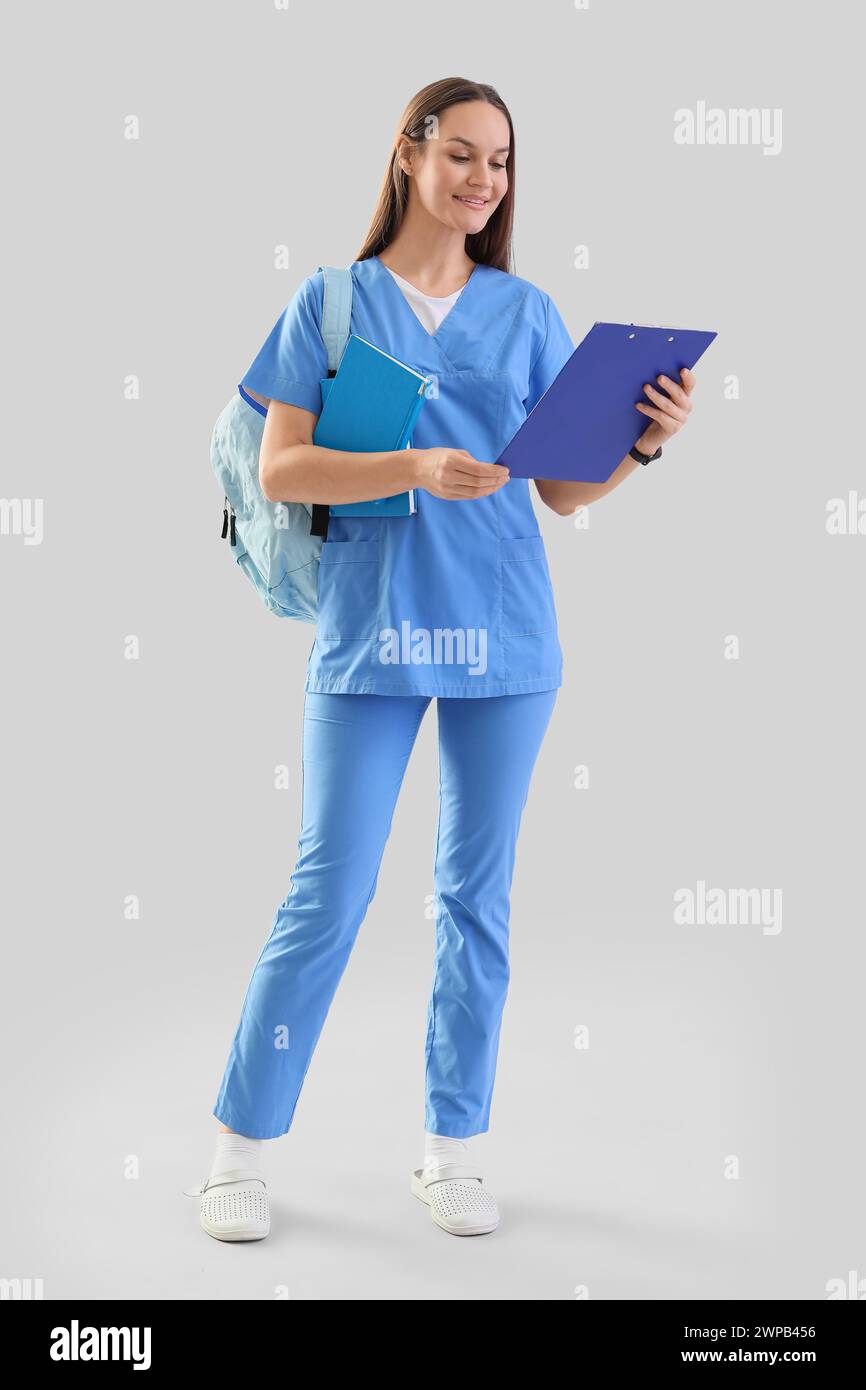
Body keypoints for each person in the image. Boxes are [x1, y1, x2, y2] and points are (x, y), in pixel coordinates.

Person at [195, 76, 697, 1242]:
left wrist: (646, 442)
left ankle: (452, 1146)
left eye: (502, 164)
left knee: (476, 899)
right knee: (328, 893)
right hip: (370, 636)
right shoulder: (328, 303)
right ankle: (236, 1146)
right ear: (408, 153)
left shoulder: (525, 313)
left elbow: (566, 492)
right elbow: (280, 471)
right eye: (463, 154)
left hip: (505, 638)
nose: (484, 182)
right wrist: (410, 469)